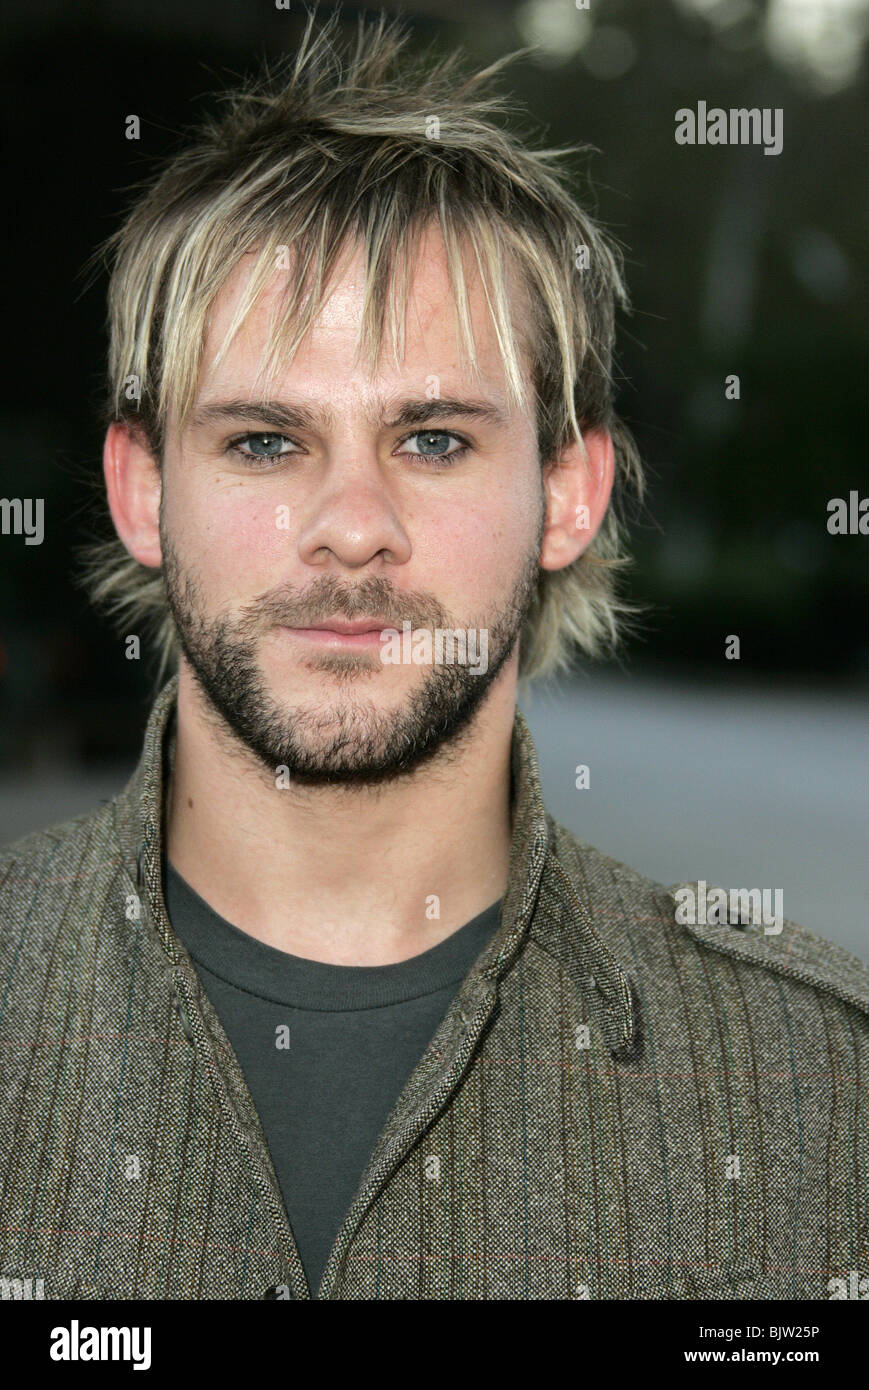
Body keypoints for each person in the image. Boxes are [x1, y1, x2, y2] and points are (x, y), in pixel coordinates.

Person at [1, 11, 865, 1302]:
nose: (352, 527)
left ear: (570, 493)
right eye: (262, 441)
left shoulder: (816, 1084)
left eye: (435, 440)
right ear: (140, 491)